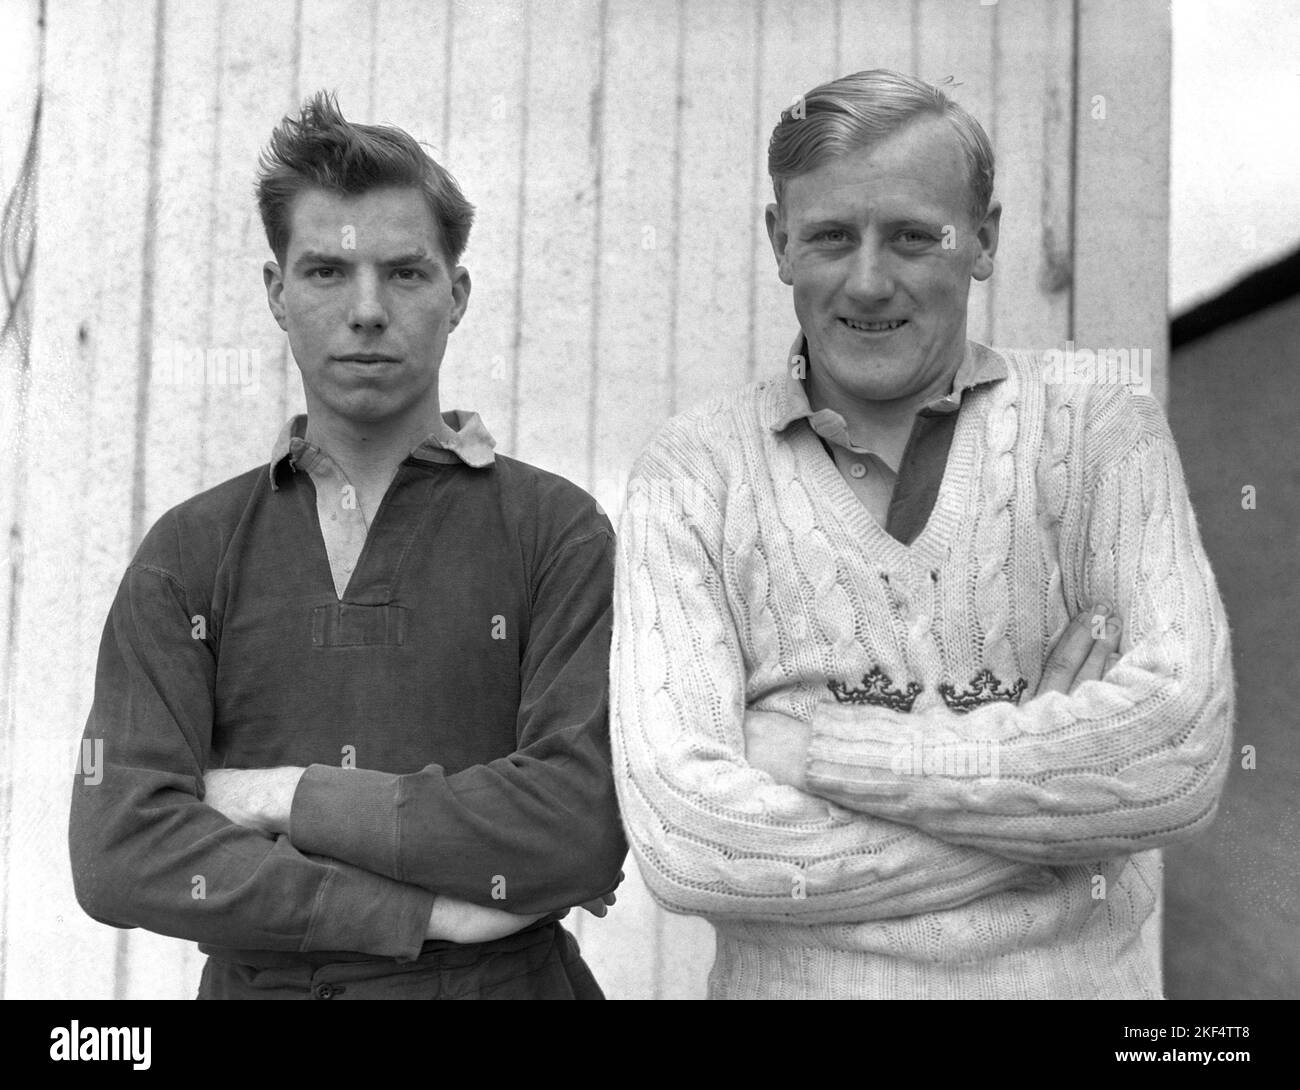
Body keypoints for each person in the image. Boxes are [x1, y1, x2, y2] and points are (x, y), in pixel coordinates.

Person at [610, 69, 1234, 1000]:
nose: (868, 280)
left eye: (912, 235)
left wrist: (821, 755)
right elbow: (689, 843)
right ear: (778, 243)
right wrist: (1058, 809)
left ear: (984, 237)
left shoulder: (1102, 435)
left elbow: (1176, 756)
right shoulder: (692, 472)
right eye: (829, 236)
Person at [69, 91, 626, 1000]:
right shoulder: (191, 551)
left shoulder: (556, 531)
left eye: (406, 273)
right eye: (327, 271)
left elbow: (577, 824)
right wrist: (418, 912)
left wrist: (278, 794)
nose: (367, 311)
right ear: (276, 293)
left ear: (458, 295)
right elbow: (119, 849)